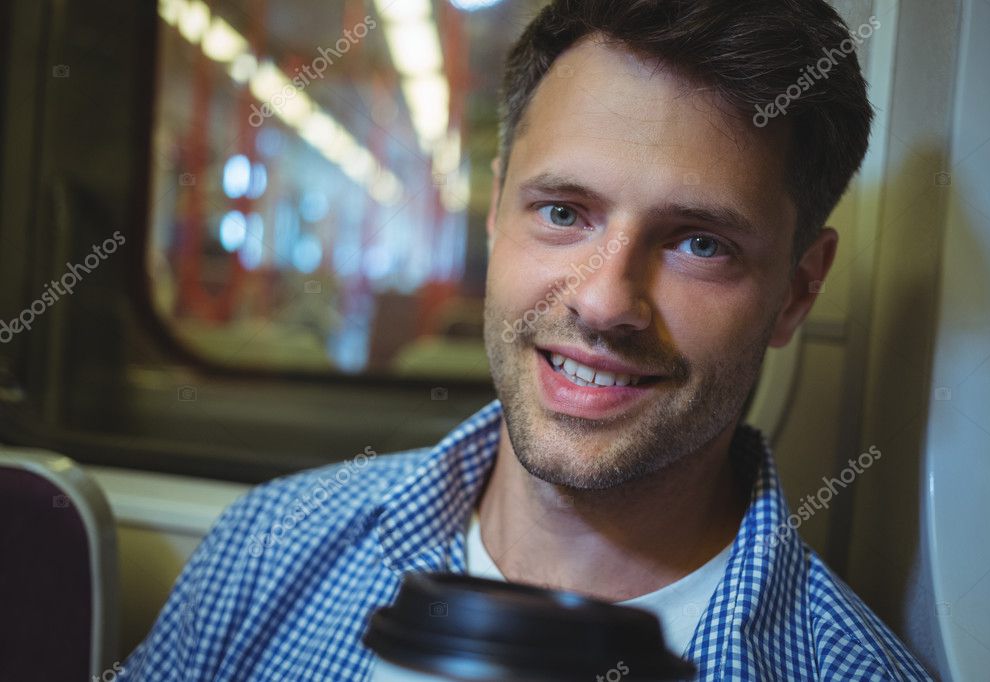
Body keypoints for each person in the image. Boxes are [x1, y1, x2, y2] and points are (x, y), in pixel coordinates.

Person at [125, 1, 932, 679]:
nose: (605, 301)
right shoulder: (265, 553)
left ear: (796, 290)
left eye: (699, 242)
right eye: (562, 212)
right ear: (495, 212)